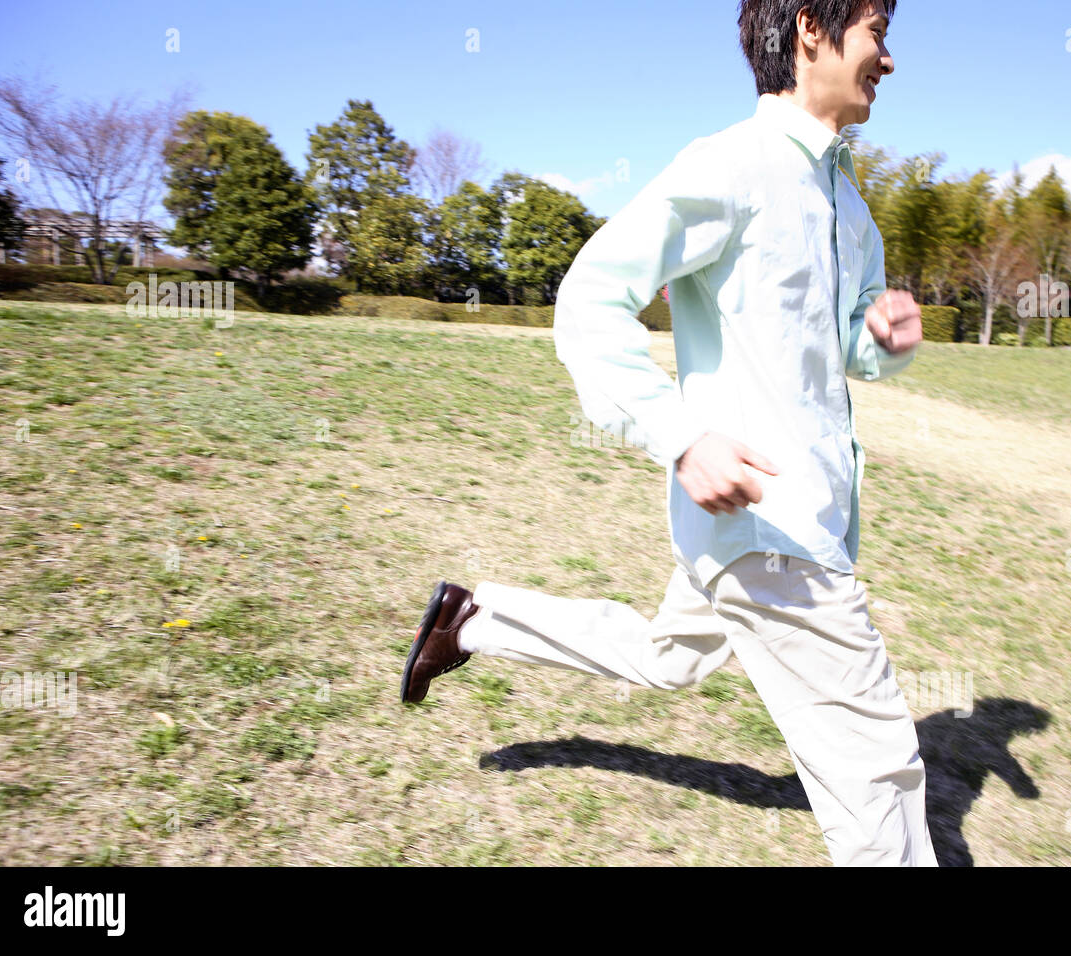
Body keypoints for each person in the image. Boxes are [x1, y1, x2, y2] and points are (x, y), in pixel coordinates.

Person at [399, 0, 938, 866]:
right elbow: (589, 299)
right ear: (812, 28)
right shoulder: (732, 166)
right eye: (878, 30)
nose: (890, 58)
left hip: (781, 517)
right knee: (876, 768)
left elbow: (838, 351)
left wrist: (879, 342)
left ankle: (473, 619)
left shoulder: (849, 206)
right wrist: (680, 436)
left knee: (667, 657)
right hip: (773, 527)